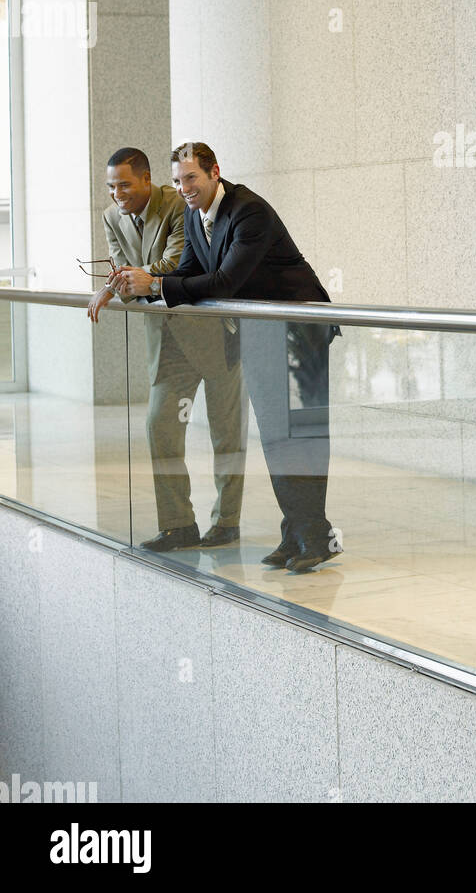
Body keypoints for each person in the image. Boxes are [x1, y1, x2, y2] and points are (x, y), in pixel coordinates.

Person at [113, 142, 341, 574]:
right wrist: (152, 280)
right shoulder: (193, 215)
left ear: (214, 172)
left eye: (192, 178)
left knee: (303, 435)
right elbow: (187, 272)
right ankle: (296, 532)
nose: (184, 188)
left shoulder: (248, 211)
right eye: (178, 181)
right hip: (262, 333)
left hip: (301, 330)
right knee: (276, 436)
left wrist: (156, 287)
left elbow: (224, 281)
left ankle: (316, 536)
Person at [88, 146, 246, 552]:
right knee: (159, 426)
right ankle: (178, 524)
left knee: (226, 432)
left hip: (211, 334)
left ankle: (227, 521)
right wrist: (117, 285)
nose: (117, 194)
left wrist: (131, 281)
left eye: (124, 184)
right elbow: (124, 276)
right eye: (110, 187)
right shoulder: (111, 217)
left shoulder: (179, 203)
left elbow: (178, 265)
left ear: (145, 179)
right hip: (166, 338)